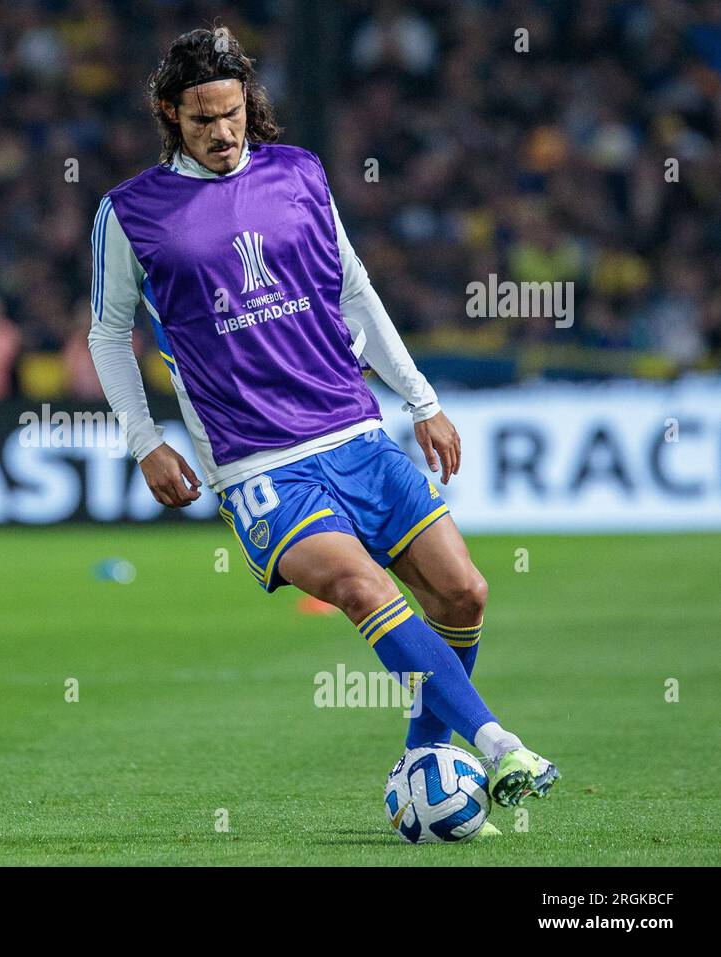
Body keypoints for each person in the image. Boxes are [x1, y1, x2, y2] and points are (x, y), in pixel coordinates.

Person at [87, 25, 559, 811]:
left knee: (466, 594)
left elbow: (353, 290)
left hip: (355, 429)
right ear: (171, 114)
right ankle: (498, 743)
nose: (222, 132)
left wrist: (423, 399)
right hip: (258, 462)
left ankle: (421, 761)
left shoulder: (298, 172)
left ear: (248, 103)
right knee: (359, 584)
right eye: (201, 118)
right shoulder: (130, 211)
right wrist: (145, 442)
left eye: (232, 112)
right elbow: (108, 331)